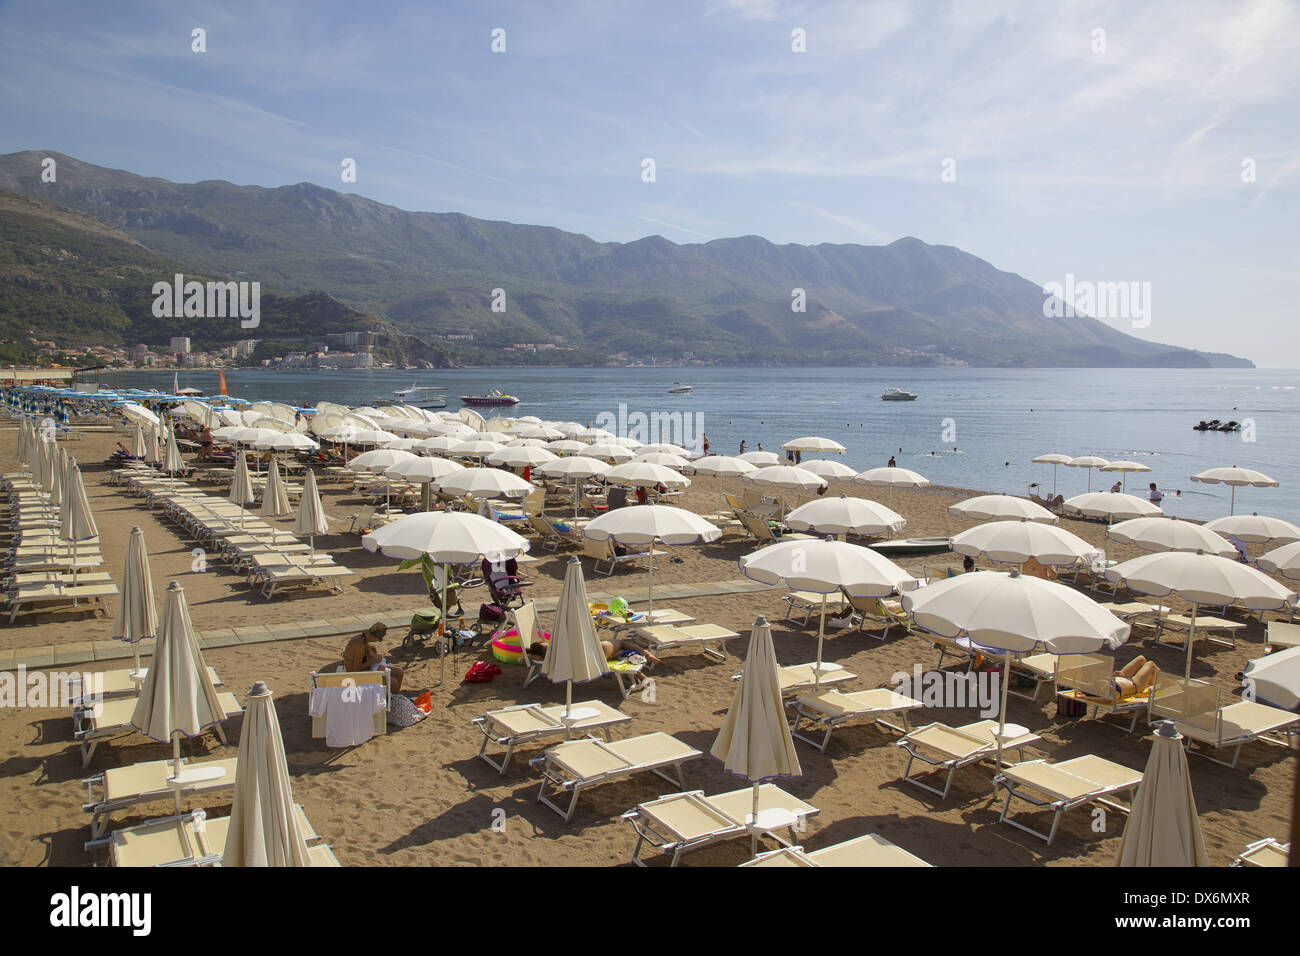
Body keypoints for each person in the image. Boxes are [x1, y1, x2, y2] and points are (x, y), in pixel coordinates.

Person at [343, 622, 404, 692]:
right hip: (355, 675)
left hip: (365, 669)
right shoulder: (359, 645)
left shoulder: (362, 638)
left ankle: (394, 696)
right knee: (393, 682)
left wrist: (374, 657)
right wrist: (373, 661)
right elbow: (356, 669)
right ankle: (391, 698)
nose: (379, 641)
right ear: (373, 637)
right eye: (380, 639)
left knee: (399, 672)